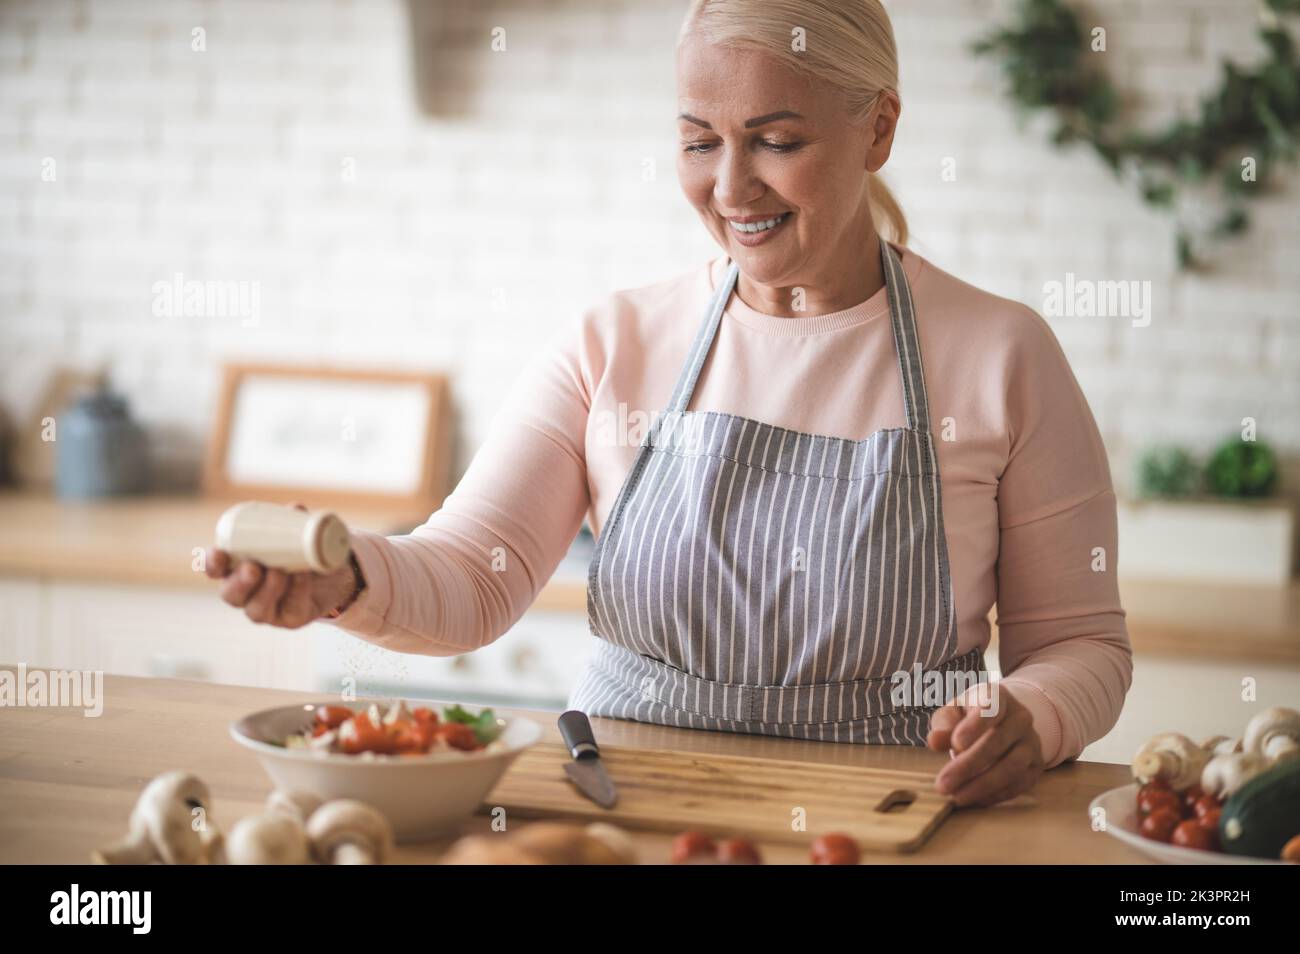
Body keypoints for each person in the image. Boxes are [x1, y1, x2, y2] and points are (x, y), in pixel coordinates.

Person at [207, 0, 1132, 808]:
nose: (731, 188)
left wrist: (1036, 716)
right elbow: (472, 579)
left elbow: (1083, 645)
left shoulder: (1003, 354)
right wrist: (351, 579)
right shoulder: (615, 343)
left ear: (879, 129)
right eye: (699, 142)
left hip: (889, 820)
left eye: (778, 140)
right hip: (625, 812)